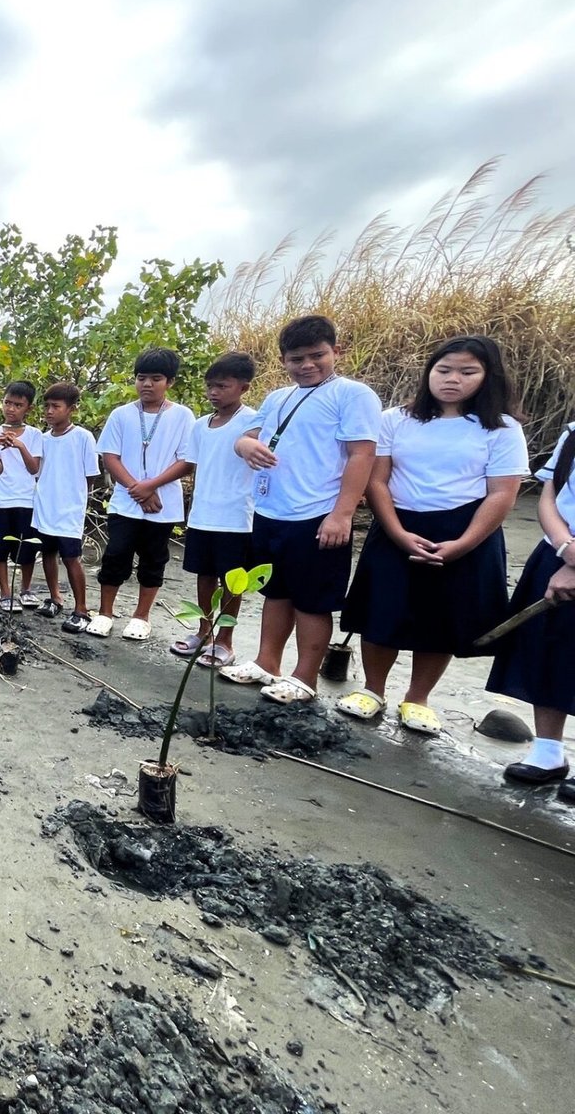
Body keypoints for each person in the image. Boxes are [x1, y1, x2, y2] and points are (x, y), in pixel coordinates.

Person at [336, 337, 528, 733]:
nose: (452, 379)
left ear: (488, 376)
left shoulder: (502, 429)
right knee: (382, 610)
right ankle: (372, 690)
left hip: (464, 531)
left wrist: (462, 544)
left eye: (467, 372)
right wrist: (396, 532)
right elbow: (377, 480)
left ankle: (417, 699)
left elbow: (501, 494)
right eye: (444, 370)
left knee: (442, 618)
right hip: (397, 524)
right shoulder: (395, 419)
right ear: (429, 373)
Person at [224, 315, 381, 705]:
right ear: (283, 360)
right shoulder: (278, 397)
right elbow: (247, 436)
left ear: (336, 352)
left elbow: (362, 454)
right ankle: (267, 662)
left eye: (317, 356)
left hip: (317, 512)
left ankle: (304, 676)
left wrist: (342, 513)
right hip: (271, 510)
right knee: (275, 592)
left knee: (312, 600)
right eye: (297, 359)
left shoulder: (352, 395)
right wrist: (245, 446)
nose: (307, 365)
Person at [492, 422, 575, 801]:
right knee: (549, 647)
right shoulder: (572, 434)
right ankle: (548, 751)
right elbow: (551, 494)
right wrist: (565, 548)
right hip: (558, 550)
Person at [91, 348, 196, 640]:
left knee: (154, 558)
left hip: (162, 504)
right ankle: (105, 612)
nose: (147, 384)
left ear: (170, 382)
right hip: (125, 502)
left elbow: (187, 460)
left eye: (156, 378)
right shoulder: (121, 414)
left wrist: (151, 486)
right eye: (141, 378)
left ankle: (141, 617)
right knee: (115, 554)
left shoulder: (183, 416)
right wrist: (137, 489)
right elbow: (110, 457)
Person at [172, 352, 258, 668]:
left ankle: (225, 641)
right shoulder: (200, 425)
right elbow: (195, 467)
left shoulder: (254, 422)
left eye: (222, 386)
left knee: (232, 582)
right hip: (203, 514)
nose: (214, 392)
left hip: (237, 517)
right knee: (204, 575)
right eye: (210, 386)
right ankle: (203, 630)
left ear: (243, 387)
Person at [32, 383, 100, 632]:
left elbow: (91, 475)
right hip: (45, 506)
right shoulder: (42, 439)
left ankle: (81, 609)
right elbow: (37, 471)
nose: (49, 411)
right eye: (47, 406)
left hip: (69, 509)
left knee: (72, 558)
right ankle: (55, 598)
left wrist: (75, 498)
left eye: (56, 406)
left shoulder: (83, 437)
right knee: (48, 553)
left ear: (71, 409)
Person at [0, 381, 45, 611]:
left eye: (18, 405)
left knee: (26, 550)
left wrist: (19, 446)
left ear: (28, 408)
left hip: (27, 501)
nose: (11, 409)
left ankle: (26, 589)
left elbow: (34, 468)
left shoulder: (35, 435)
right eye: (7, 403)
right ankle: (5, 593)